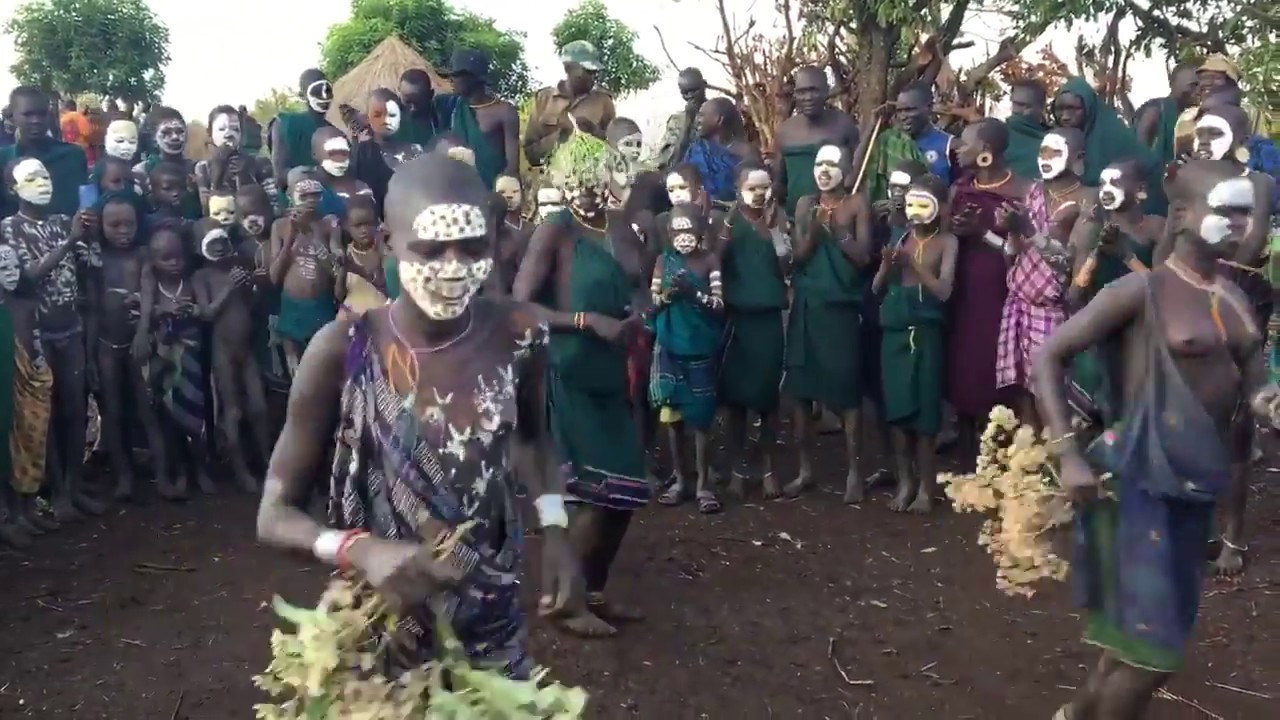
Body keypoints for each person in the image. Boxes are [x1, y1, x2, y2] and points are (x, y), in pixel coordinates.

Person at [256, 151, 579, 679]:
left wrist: (557, 526)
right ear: (387, 242)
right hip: (378, 626)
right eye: (430, 250)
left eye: (471, 249)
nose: (453, 270)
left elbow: (532, 440)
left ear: (495, 243)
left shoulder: (518, 335)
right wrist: (361, 551)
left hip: (489, 616)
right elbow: (273, 515)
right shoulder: (342, 350)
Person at [1033, 158, 1280, 720]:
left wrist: (1271, 403)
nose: (1241, 225)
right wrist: (1067, 453)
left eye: (1246, 213)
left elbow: (1257, 385)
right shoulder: (1138, 292)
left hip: (1193, 488)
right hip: (1134, 481)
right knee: (1153, 656)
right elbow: (1047, 355)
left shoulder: (1236, 300)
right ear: (1183, 213)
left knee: (1130, 643)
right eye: (1227, 212)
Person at [513, 136, 651, 638]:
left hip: (614, 372)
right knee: (591, 496)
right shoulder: (555, 229)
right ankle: (562, 599)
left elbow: (638, 285)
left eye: (592, 185)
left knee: (625, 493)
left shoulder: (619, 228)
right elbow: (522, 305)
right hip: (569, 372)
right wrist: (584, 319)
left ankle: (591, 590)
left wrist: (640, 315)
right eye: (574, 185)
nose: (584, 194)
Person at [2, 155, 102, 520]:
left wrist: (87, 238)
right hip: (39, 334)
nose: (42, 181)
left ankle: (73, 487)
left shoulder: (64, 221)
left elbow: (89, 267)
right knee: (49, 413)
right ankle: (57, 491)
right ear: (13, 189)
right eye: (30, 177)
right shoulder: (10, 228)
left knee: (75, 411)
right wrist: (71, 241)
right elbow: (27, 277)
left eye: (44, 174)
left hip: (71, 328)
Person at [782, 143, 873, 503]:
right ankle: (805, 471)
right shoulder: (805, 204)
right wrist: (814, 235)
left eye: (832, 164)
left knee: (847, 391)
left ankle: (854, 472)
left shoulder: (856, 204)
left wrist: (837, 233)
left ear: (846, 170)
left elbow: (864, 257)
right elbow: (796, 259)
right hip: (807, 304)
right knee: (800, 392)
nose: (824, 169)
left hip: (841, 308)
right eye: (819, 163)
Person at [946, 119, 1036, 460]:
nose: (956, 148)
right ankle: (968, 451)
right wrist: (955, 228)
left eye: (964, 143)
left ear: (985, 152)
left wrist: (982, 231)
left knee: (993, 366)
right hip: (963, 288)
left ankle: (1004, 453)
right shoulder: (958, 189)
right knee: (962, 365)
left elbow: (1027, 251)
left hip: (1004, 291)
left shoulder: (1023, 192)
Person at [872, 173, 956, 513]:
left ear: (938, 208)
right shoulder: (900, 236)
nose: (916, 211)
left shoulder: (948, 242)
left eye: (924, 204)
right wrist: (885, 266)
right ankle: (905, 482)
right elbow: (877, 289)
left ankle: (926, 487)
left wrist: (914, 265)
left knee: (924, 418)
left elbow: (945, 291)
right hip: (894, 335)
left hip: (926, 336)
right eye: (911, 204)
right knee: (898, 416)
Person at [716, 162, 790, 500]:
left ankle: (770, 469)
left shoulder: (778, 219)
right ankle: (736, 471)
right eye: (752, 188)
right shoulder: (727, 222)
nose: (759, 194)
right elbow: (714, 261)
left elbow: (786, 265)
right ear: (738, 190)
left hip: (768, 319)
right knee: (735, 401)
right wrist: (727, 227)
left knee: (767, 398)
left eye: (764, 187)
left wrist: (776, 233)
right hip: (736, 320)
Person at [651, 204, 725, 513]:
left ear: (700, 233)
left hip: (700, 346)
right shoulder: (662, 261)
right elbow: (653, 302)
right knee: (673, 420)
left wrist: (694, 294)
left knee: (701, 421)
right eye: (677, 232)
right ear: (669, 234)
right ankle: (681, 480)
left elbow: (720, 304)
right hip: (670, 347)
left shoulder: (709, 261)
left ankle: (704, 484)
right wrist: (669, 293)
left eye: (689, 231)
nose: (683, 237)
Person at [192, 217, 270, 492]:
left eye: (223, 241)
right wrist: (229, 288)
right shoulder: (201, 277)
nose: (221, 248)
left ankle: (267, 462)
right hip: (222, 352)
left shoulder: (238, 269)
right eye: (213, 243)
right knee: (233, 411)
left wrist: (250, 286)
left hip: (246, 350)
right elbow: (206, 313)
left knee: (259, 408)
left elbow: (252, 305)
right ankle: (241, 471)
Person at [1053, 77, 1162, 216]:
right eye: (1059, 110)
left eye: (1073, 109)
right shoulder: (1063, 140)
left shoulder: (1111, 136)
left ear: (1089, 108)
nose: (1065, 117)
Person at [269, 169, 341, 374]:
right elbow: (274, 277)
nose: (310, 200)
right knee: (296, 371)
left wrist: (312, 235)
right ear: (290, 196)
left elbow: (336, 271)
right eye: (304, 194)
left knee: (324, 369)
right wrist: (291, 238)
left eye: (315, 194)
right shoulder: (280, 226)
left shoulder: (329, 224)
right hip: (292, 307)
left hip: (322, 306)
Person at [773, 65, 860, 218]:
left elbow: (856, 174)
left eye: (813, 90)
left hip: (836, 219)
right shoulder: (785, 131)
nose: (808, 97)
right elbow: (780, 182)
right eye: (801, 92)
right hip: (793, 220)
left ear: (826, 91)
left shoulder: (843, 125)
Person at [523, 40, 616, 168]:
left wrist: (593, 132)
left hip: (593, 182)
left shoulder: (603, 102)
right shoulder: (544, 99)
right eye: (587, 71)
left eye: (595, 72)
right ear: (568, 68)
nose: (593, 77)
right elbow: (530, 153)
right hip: (550, 183)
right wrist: (560, 137)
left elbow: (615, 149)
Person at [0, 87, 89, 219]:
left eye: (42, 114)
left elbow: (87, 205)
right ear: (13, 118)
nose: (36, 120)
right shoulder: (4, 159)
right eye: (28, 114)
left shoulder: (73, 156)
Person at [442, 48, 519, 182]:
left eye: (456, 75)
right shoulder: (453, 107)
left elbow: (512, 168)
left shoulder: (505, 112)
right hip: (458, 192)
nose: (451, 80)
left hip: (493, 194)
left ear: (473, 78)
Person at [684, 97, 758, 207]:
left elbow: (755, 189)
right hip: (698, 211)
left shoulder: (746, 152)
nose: (697, 120)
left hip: (735, 212)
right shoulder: (695, 150)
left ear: (718, 119)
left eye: (701, 115)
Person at [271, 68, 335, 189]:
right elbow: (279, 177)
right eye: (316, 91)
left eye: (327, 90)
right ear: (302, 95)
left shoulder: (333, 131)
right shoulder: (285, 124)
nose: (324, 96)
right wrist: (303, 176)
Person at [1134, 62, 1199, 166]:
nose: (1198, 90)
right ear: (1172, 84)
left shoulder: (1192, 116)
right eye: (1193, 85)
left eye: (1201, 85)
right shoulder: (1157, 109)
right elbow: (1139, 148)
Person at [894, 82, 956, 185]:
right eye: (899, 111)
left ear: (929, 108)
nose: (902, 116)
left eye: (909, 110)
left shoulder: (949, 146)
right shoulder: (891, 143)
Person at [656, 67, 710, 172]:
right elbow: (670, 164)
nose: (690, 96)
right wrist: (688, 122)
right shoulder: (676, 121)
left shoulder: (719, 112)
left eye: (694, 90)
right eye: (685, 93)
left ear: (704, 85)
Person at [1004, 79, 1051, 181]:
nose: (1018, 110)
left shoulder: (1055, 142)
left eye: (1026, 106)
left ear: (1041, 107)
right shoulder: (998, 135)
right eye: (1016, 104)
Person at [396, 68, 441, 147]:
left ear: (431, 94)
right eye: (407, 102)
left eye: (418, 102)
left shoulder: (442, 118)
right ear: (399, 92)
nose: (413, 108)